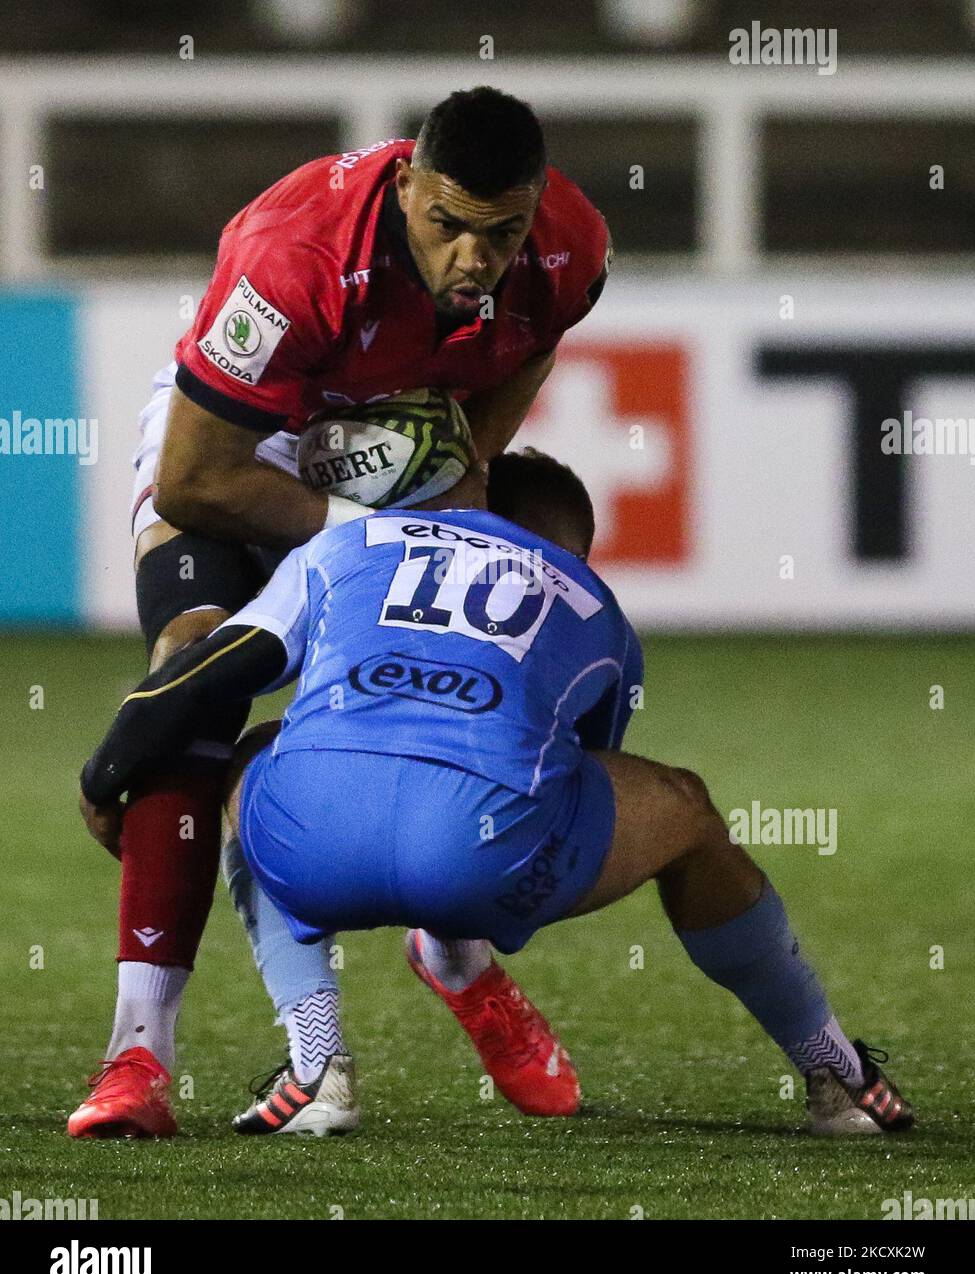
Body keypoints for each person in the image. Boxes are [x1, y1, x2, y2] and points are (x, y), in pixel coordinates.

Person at [80, 450, 914, 1138]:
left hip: (307, 843)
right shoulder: (593, 602)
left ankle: (318, 1066)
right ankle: (835, 1075)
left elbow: (200, 677)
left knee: (256, 750)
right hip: (485, 859)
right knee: (684, 809)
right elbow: (575, 770)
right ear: (571, 545)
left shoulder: (347, 546)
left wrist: (104, 779)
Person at [68, 86, 612, 1138]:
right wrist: (362, 528)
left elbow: (537, 339)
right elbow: (190, 480)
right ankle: (138, 1057)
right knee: (195, 668)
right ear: (406, 183)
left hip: (394, 460)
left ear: (535, 212)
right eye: (445, 224)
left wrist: (473, 460)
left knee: (448, 693)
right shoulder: (296, 256)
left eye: (497, 236)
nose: (470, 258)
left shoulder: (570, 249)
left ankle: (453, 954)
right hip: (248, 451)